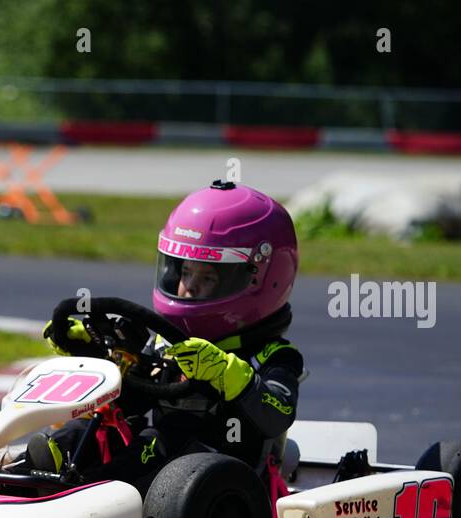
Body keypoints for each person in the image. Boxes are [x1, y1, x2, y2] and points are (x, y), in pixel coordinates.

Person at [31, 180, 303, 494]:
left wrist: (225, 372)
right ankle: (26, 471)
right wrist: (100, 354)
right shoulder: (168, 343)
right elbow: (133, 400)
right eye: (185, 273)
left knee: (157, 445)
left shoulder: (273, 354)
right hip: (165, 470)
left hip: (224, 479)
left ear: (260, 279)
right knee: (96, 427)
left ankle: (88, 492)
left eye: (208, 276)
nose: (189, 286)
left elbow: (277, 413)